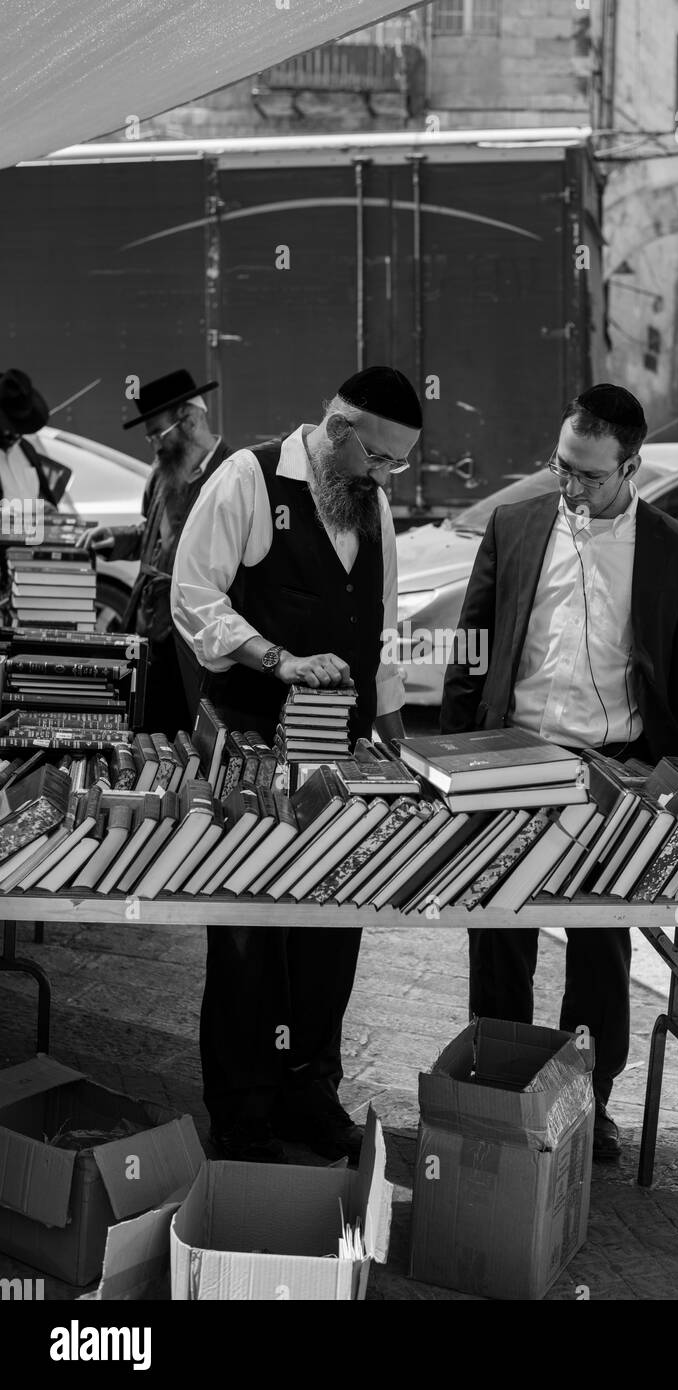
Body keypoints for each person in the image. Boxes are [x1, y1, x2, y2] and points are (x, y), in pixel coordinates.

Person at [440, 383, 678, 1162]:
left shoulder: (676, 550)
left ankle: (582, 1101)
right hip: (511, 761)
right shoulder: (515, 522)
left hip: (616, 771)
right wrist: (454, 761)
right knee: (500, 938)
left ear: (631, 466)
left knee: (600, 952)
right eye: (561, 466)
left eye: (589, 475)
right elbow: (470, 651)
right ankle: (496, 1088)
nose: (569, 486)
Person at [171, 364, 421, 1164]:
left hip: (338, 757)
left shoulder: (372, 507)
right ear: (339, 429)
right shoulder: (247, 477)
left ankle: (308, 1089)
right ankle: (242, 1105)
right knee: (248, 930)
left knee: (329, 925)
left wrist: (396, 744)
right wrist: (275, 657)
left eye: (397, 464)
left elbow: (378, 634)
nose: (386, 476)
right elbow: (193, 597)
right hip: (248, 743)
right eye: (379, 458)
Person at [81, 370, 230, 736]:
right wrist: (116, 539)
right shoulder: (162, 473)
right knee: (143, 725)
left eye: (158, 434)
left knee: (184, 731)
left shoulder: (231, 477)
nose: (155, 446)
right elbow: (153, 534)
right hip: (146, 627)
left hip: (193, 637)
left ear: (191, 420)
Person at [0, 368, 71, 508]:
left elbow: (44, 499)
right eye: (9, 427)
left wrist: (46, 508)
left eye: (19, 429)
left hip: (31, 529)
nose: (15, 435)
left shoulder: (27, 450)